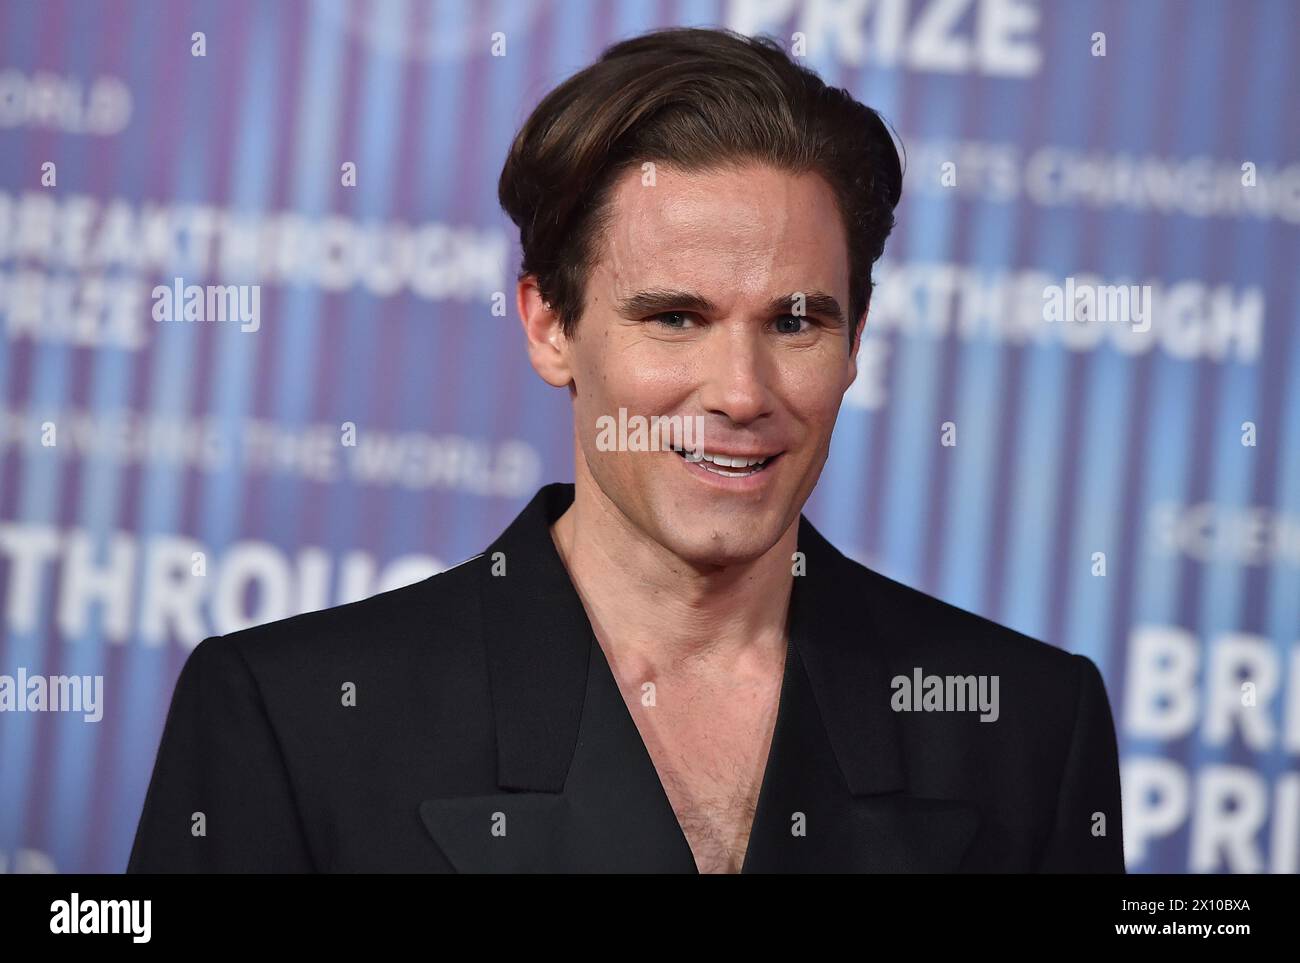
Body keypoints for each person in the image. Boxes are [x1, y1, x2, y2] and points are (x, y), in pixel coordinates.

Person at [128, 26, 1124, 873]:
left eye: (795, 324)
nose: (741, 392)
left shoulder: (1026, 727)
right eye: (675, 318)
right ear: (549, 327)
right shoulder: (292, 719)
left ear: (855, 344)